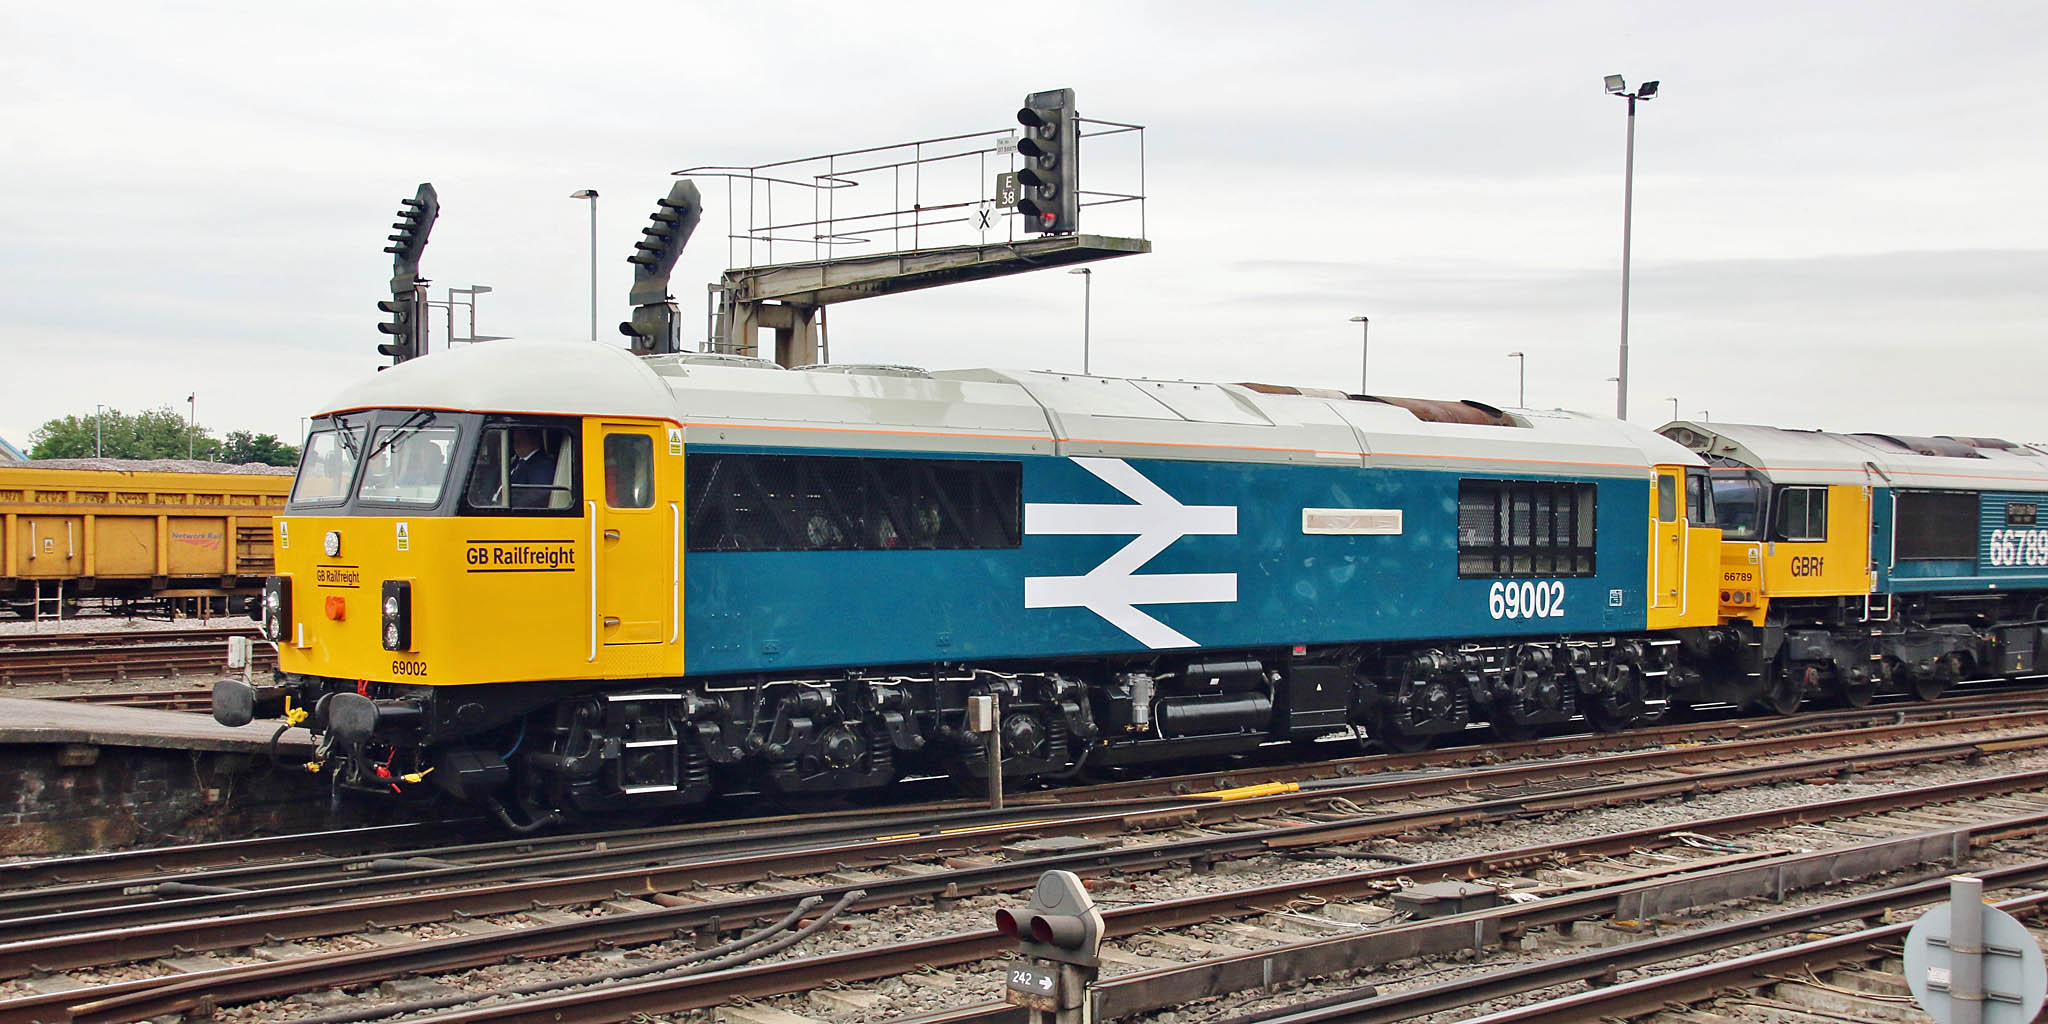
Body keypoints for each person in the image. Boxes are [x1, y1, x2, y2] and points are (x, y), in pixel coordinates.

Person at [507, 429, 554, 508]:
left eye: (521, 439)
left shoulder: (542, 465)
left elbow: (538, 495)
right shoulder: (516, 461)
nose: (516, 444)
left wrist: (508, 505)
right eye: (515, 440)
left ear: (534, 439)